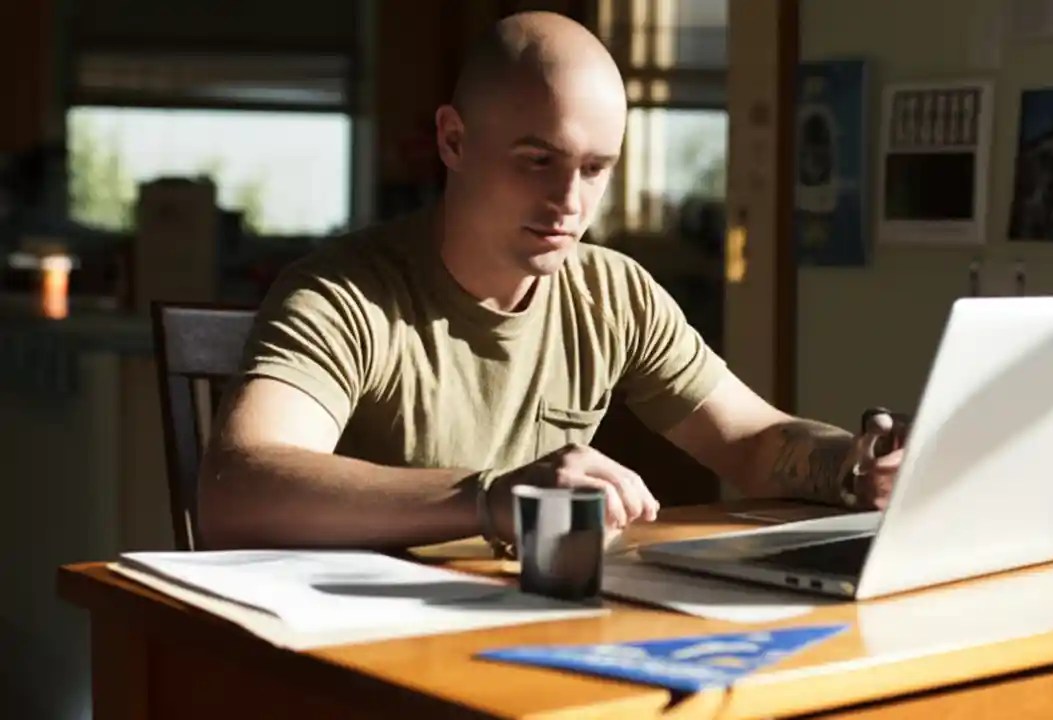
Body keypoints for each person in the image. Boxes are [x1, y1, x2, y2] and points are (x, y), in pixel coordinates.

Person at [197, 11, 905, 554]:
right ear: (453, 140)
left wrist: (854, 466)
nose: (570, 201)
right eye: (538, 160)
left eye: (595, 169)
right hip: (357, 647)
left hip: (528, 626)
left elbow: (750, 440)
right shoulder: (345, 294)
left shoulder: (611, 293)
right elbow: (237, 488)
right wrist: (488, 499)